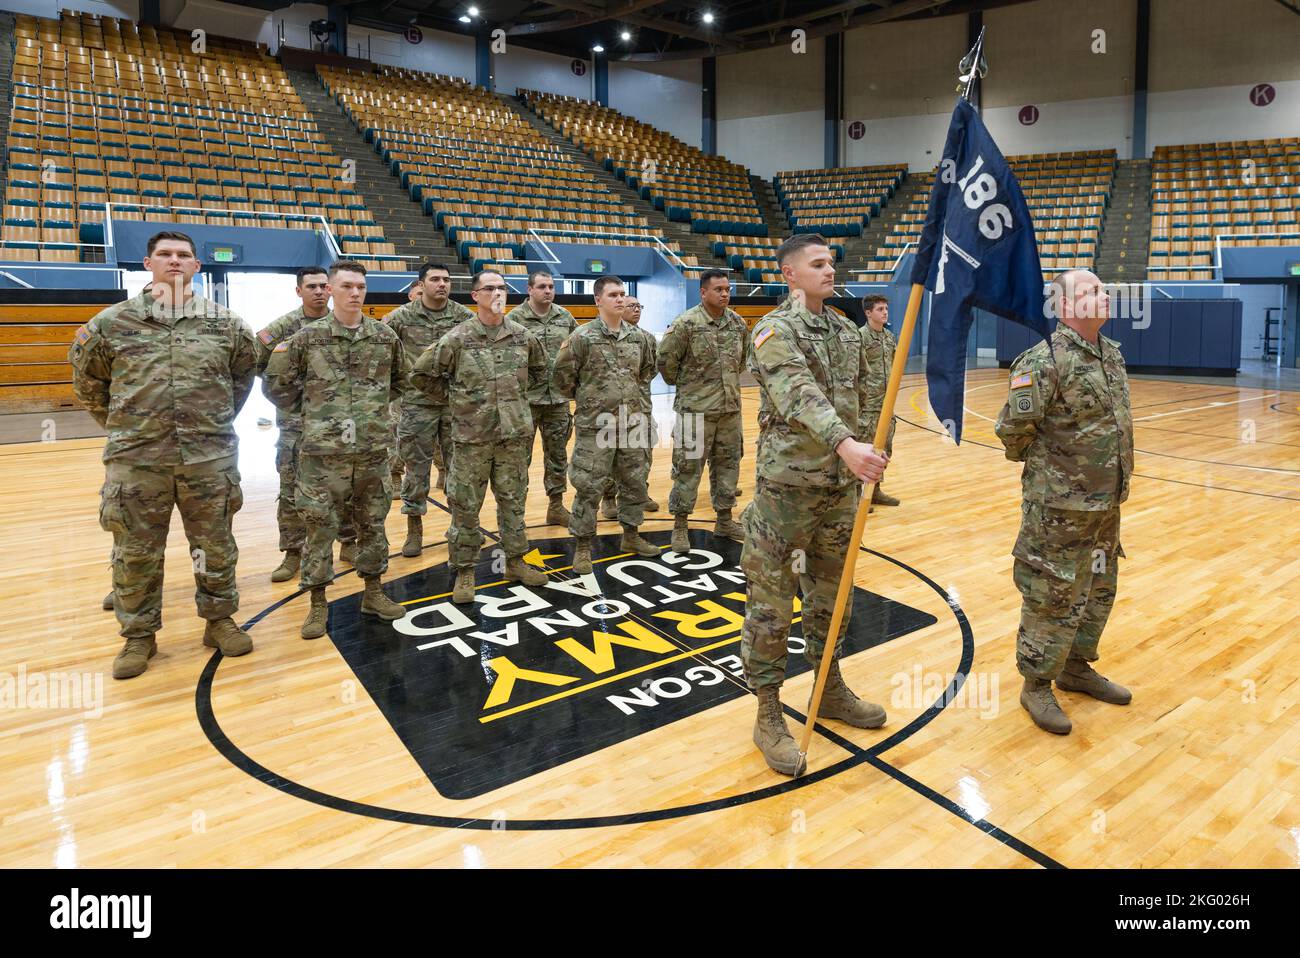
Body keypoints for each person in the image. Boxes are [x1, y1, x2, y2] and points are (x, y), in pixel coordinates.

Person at [70, 230, 257, 678]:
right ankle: (138, 636)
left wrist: (208, 424)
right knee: (135, 552)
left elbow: (241, 381)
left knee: (214, 547)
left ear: (196, 266)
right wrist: (128, 428)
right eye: (165, 255)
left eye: (184, 256)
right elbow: (89, 386)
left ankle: (218, 621)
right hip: (137, 462)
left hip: (208, 460)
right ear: (147, 264)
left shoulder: (225, 324)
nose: (175, 261)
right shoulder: (110, 324)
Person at [740, 233, 890, 775]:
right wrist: (847, 445)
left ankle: (828, 686)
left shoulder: (847, 331)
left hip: (839, 489)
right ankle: (768, 711)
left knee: (834, 596)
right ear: (790, 273)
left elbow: (864, 396)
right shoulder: (773, 331)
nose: (830, 271)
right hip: (787, 491)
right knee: (772, 605)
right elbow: (798, 394)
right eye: (819, 264)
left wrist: (871, 445)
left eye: (832, 263)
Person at [994, 268, 1134, 735]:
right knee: (1051, 594)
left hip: (1104, 506)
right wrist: (1052, 473)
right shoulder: (1043, 361)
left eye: (1103, 288)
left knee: (1097, 589)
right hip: (1057, 510)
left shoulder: (1110, 355)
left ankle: (1076, 666)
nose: (1104, 295)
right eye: (1092, 291)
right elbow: (1012, 430)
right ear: (1067, 306)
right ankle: (1036, 684)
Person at [262, 260, 410, 639]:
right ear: (330, 289)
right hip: (322, 457)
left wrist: (369, 416)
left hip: (373, 452)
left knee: (373, 525)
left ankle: (374, 592)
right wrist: (317, 416)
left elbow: (400, 381)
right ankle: (316, 604)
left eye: (360, 286)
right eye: (346, 286)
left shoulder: (384, 337)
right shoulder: (306, 339)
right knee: (319, 529)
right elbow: (277, 388)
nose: (355, 293)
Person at [410, 270, 549, 603]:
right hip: (471, 438)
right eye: (490, 288)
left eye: (502, 288)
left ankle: (515, 561)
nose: (497, 293)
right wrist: (459, 400)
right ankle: (465, 569)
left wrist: (514, 403)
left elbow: (541, 372)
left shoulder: (523, 336)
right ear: (475, 296)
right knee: (465, 506)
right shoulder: (457, 338)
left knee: (513, 501)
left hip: (513, 437)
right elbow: (422, 376)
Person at [553, 275, 659, 574]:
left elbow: (647, 372)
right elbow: (562, 378)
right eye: (613, 294)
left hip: (632, 425)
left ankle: (632, 536)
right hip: (595, 426)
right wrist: (590, 400)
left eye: (623, 294)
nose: (620, 299)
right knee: (589, 486)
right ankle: (583, 546)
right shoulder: (582, 338)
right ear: (598, 300)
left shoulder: (640, 338)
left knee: (634, 483)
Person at [253, 267, 343, 582]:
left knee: (344, 487)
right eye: (312, 287)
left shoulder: (344, 323)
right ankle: (293, 553)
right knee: (291, 489)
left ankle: (349, 543)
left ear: (331, 290)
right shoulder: (283, 328)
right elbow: (257, 363)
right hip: (297, 426)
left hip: (339, 425)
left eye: (324, 286)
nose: (319, 292)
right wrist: (290, 398)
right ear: (298, 291)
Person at [384, 262, 475, 556]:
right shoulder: (400, 318)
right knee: (415, 469)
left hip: (454, 406)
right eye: (435, 279)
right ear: (421, 284)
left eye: (446, 280)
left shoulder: (463, 316)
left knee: (460, 470)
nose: (442, 284)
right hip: (416, 406)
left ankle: (461, 527)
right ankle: (414, 529)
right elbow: (383, 353)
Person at [657, 270, 749, 552]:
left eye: (727, 289)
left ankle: (724, 520)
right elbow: (666, 364)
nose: (725, 294)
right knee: (687, 469)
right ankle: (681, 525)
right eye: (718, 289)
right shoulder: (686, 324)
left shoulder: (738, 324)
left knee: (728, 467)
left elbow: (742, 361)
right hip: (695, 412)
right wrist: (693, 389)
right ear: (703, 292)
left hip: (729, 410)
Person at [505, 269, 577, 526]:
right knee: (518, 459)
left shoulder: (564, 317)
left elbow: (575, 351)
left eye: (551, 286)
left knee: (557, 455)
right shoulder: (514, 318)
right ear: (530, 290)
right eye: (542, 286)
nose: (548, 291)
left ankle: (556, 507)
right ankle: (516, 514)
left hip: (557, 399)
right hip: (526, 401)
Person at [599, 295, 661, 517]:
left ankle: (639, 493)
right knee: (611, 455)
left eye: (639, 306)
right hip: (611, 409)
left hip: (641, 405)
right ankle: (608, 498)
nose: (636, 310)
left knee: (643, 453)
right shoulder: (604, 336)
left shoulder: (647, 338)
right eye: (631, 306)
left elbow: (650, 369)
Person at [859, 294, 900, 511]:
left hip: (887, 404)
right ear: (868, 313)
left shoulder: (889, 338)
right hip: (868, 406)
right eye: (880, 309)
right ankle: (860, 494)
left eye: (886, 308)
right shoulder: (861, 338)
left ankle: (875, 491)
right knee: (867, 450)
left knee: (885, 449)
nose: (885, 312)